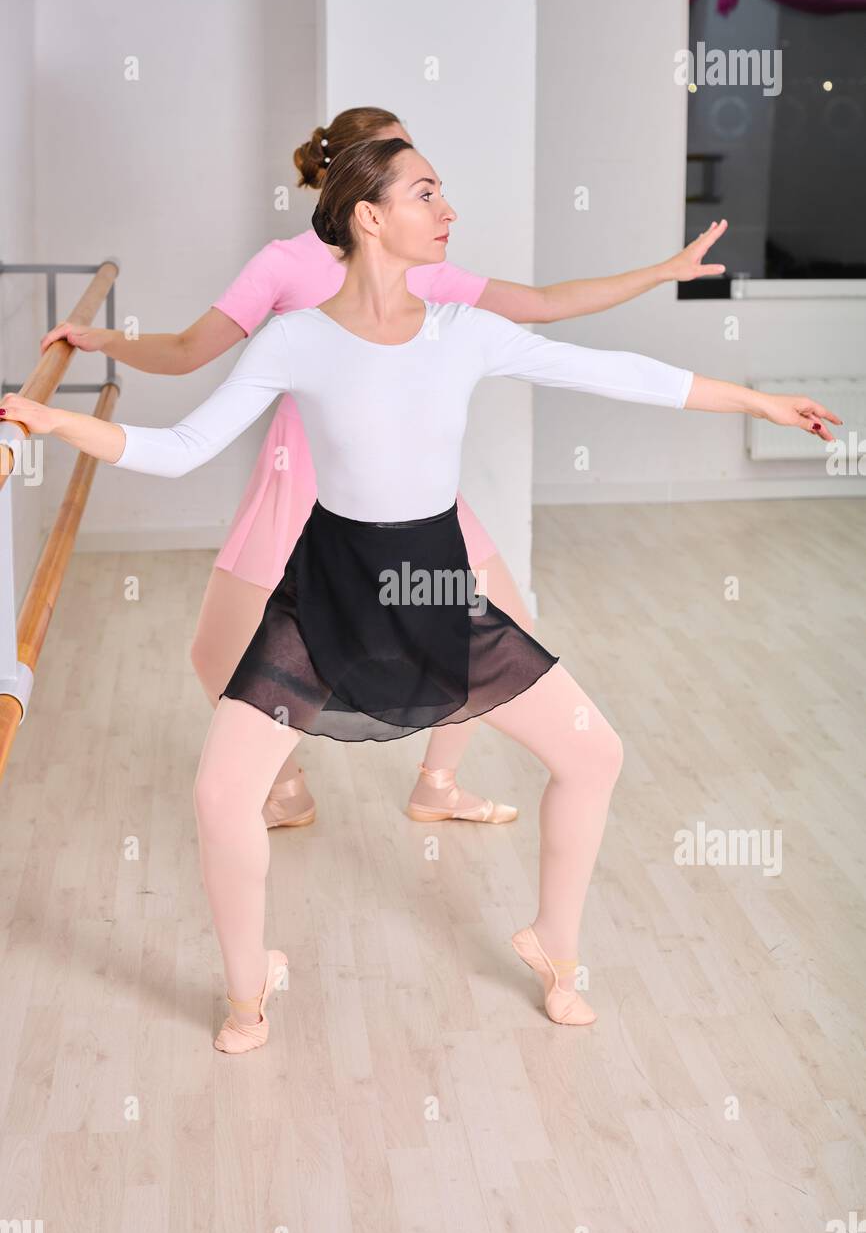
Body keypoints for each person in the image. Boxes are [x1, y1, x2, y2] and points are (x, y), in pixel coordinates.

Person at [4, 138, 837, 1054]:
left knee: (595, 756)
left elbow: (616, 372)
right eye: (427, 194)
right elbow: (182, 448)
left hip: (437, 589)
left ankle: (554, 951)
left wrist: (759, 402)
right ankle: (249, 991)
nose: (448, 213)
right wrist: (54, 421)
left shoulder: (463, 331)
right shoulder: (298, 339)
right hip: (323, 598)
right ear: (368, 217)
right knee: (218, 796)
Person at [39, 106, 731, 831]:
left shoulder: (421, 264)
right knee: (218, 650)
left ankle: (436, 781)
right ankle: (282, 787)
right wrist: (103, 340)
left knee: (498, 633)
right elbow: (186, 351)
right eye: (409, 168)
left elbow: (541, 306)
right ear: (363, 189)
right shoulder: (283, 264)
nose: (433, 197)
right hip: (302, 488)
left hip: (413, 494)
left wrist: (665, 271)